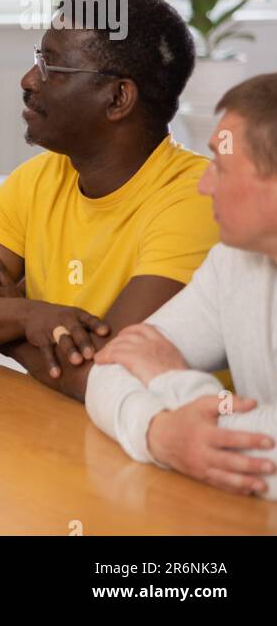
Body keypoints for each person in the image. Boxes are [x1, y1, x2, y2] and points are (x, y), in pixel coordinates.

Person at [0, 0, 219, 401]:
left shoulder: (196, 199)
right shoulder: (37, 179)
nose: (29, 80)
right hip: (60, 431)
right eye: (37, 59)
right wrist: (28, 313)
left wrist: (2, 328)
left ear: (118, 98)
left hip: (165, 448)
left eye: (52, 66)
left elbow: (109, 378)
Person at [87, 74, 277, 499]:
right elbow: (111, 366)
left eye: (222, 168)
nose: (204, 184)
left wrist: (169, 378)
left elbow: (265, 455)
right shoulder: (234, 260)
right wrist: (158, 432)